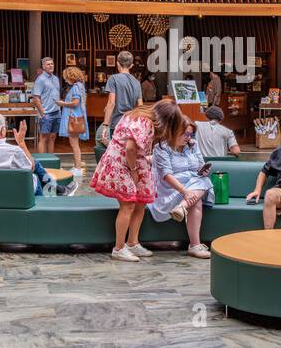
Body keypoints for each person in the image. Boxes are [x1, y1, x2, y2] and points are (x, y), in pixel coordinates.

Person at [91, 99, 187, 262]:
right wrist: (134, 170)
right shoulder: (145, 122)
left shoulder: (139, 115)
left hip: (133, 161)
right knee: (128, 205)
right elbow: (130, 148)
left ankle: (132, 242)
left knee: (141, 202)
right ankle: (119, 248)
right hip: (123, 163)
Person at [148, 119, 213, 259]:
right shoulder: (161, 147)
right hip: (171, 189)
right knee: (200, 190)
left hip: (193, 185)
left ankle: (182, 208)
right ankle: (195, 245)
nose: (187, 137)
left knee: (203, 181)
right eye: (184, 133)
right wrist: (185, 191)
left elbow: (199, 165)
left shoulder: (192, 145)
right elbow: (166, 175)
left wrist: (203, 170)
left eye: (190, 134)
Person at [0, 113, 75, 196]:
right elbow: (30, 168)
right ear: (3, 130)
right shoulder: (14, 151)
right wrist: (21, 143)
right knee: (35, 174)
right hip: (13, 193)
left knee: (34, 166)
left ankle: (56, 189)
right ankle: (54, 192)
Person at [102, 51, 143, 138]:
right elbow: (140, 106)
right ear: (131, 65)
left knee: (116, 150)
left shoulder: (113, 79)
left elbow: (111, 103)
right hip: (131, 124)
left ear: (117, 63)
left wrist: (105, 125)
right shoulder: (137, 82)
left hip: (117, 123)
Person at [57, 65, 89, 174]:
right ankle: (76, 166)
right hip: (76, 117)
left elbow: (75, 103)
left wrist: (62, 103)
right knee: (75, 144)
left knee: (74, 144)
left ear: (71, 77)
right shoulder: (80, 86)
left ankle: (77, 168)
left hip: (73, 119)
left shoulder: (75, 87)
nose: (65, 80)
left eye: (66, 77)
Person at [31, 57, 62, 154]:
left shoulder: (56, 79)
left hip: (57, 112)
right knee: (43, 138)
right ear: (43, 66)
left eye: (52, 64)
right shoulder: (40, 80)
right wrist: (43, 114)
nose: (51, 66)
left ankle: (51, 160)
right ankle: (43, 163)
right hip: (46, 114)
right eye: (48, 64)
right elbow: (36, 99)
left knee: (52, 138)